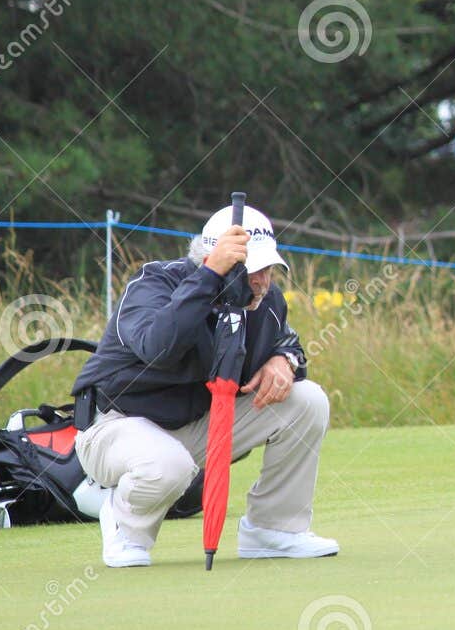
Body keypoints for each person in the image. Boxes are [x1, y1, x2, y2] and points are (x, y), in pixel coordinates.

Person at [73, 203, 338, 568]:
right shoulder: (153, 283)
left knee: (307, 399)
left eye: (268, 269)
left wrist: (285, 360)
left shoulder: (265, 299)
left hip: (195, 427)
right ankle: (124, 525)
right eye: (251, 270)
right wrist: (210, 277)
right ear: (213, 260)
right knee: (168, 464)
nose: (262, 281)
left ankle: (273, 529)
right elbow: (158, 347)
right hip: (115, 426)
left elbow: (286, 342)